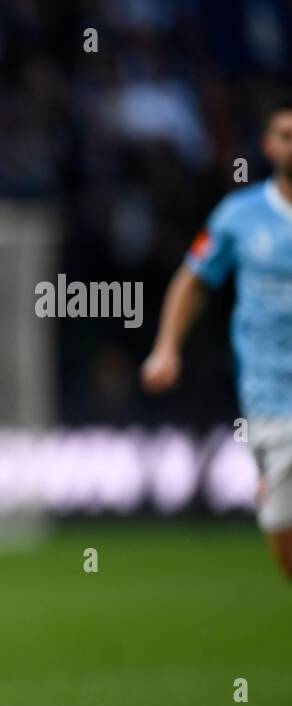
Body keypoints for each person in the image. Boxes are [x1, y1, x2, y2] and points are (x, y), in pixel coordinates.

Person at [142, 96, 292, 581]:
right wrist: (167, 346)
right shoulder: (240, 215)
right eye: (286, 136)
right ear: (269, 146)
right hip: (271, 397)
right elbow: (192, 279)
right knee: (284, 539)